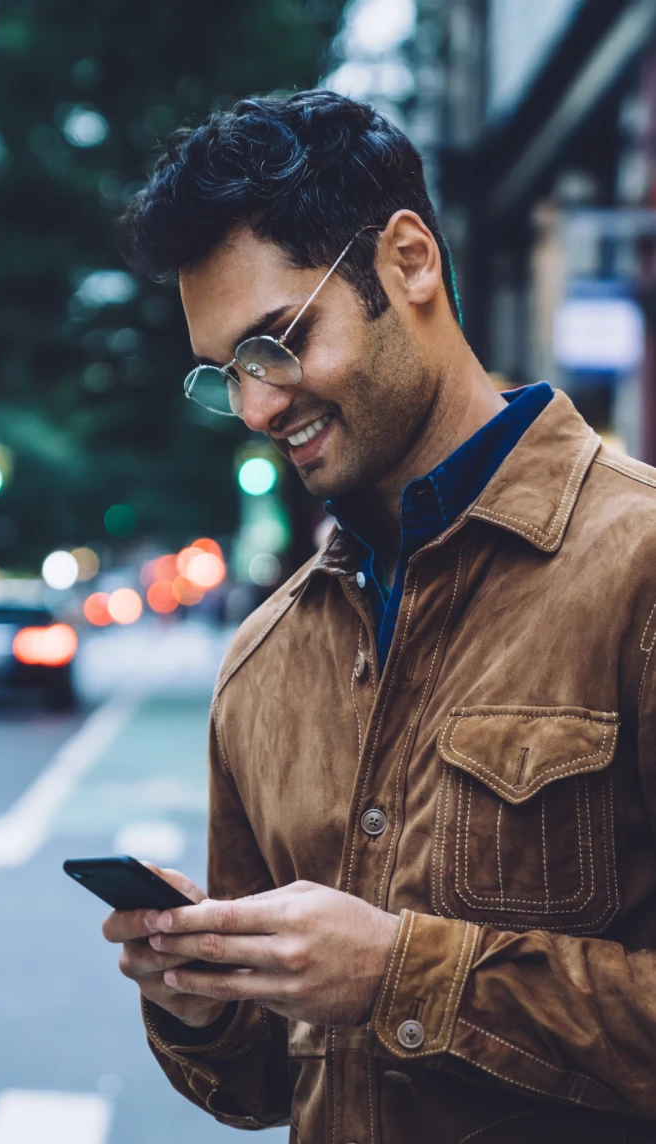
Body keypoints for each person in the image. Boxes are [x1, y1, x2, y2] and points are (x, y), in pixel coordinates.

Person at [101, 90, 656, 1143]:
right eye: (229, 376)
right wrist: (206, 1001)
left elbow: (380, 983)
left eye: (275, 344)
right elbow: (268, 1086)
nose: (258, 408)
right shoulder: (264, 663)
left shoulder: (638, 568)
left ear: (407, 261)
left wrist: (399, 973)